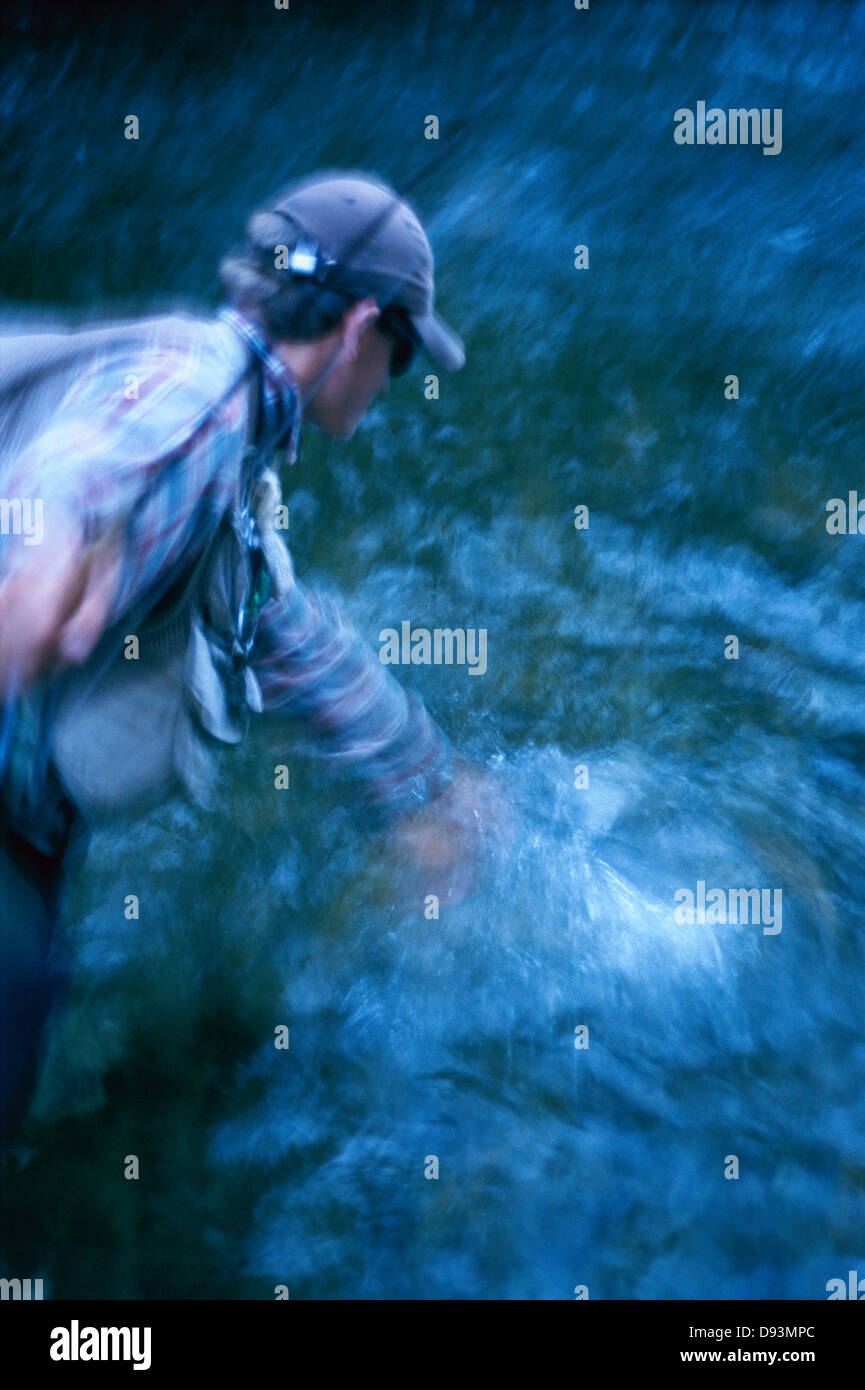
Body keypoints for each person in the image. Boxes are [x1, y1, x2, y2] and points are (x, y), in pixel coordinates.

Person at [0, 170, 504, 1144]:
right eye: (397, 356)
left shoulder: (223, 422)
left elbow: (276, 628)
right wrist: (49, 551)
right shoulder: (200, 400)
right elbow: (89, 471)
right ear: (358, 328)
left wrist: (427, 788)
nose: (389, 384)